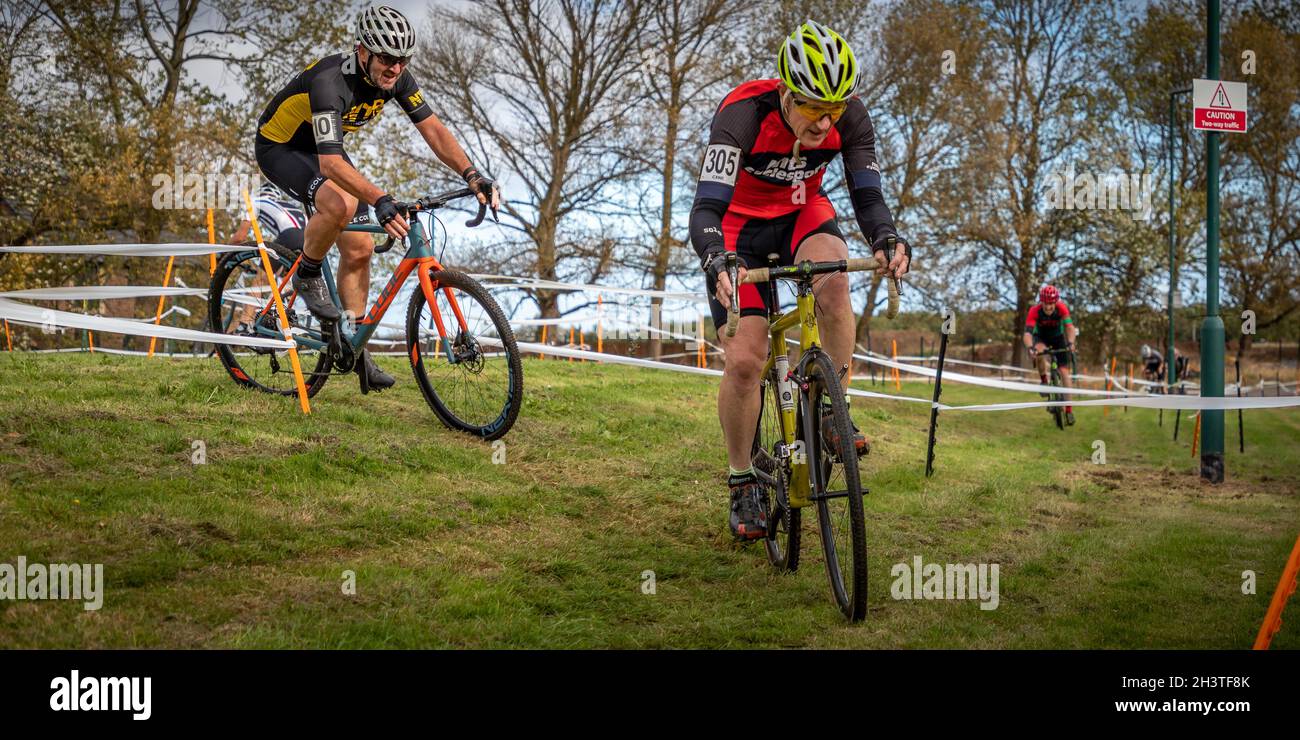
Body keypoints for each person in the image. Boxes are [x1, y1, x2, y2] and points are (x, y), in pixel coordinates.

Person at [689, 21, 911, 540]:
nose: (824, 120)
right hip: (738, 228)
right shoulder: (742, 115)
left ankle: (832, 408)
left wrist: (886, 237)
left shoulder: (850, 119)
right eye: (812, 105)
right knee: (745, 360)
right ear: (786, 92)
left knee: (835, 278)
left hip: (801, 214)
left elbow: (867, 196)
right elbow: (705, 207)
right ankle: (742, 479)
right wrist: (716, 256)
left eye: (834, 107)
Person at [253, 4, 500, 393]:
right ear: (362, 51)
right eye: (386, 58)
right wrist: (381, 199)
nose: (395, 68)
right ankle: (306, 273)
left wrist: (472, 174)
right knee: (341, 205)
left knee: (360, 247)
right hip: (281, 148)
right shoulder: (329, 81)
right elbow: (332, 164)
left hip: (322, 151)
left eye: (402, 60)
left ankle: (353, 342)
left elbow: (433, 129)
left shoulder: (396, 78)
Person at [1023, 285, 1077, 425]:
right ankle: (1044, 381)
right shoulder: (1034, 311)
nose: (1048, 307)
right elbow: (1028, 333)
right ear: (1042, 302)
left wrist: (1070, 343)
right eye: (1046, 304)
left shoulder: (1061, 308)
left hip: (1058, 338)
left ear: (1055, 302)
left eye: (1051, 304)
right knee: (1039, 352)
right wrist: (1030, 347)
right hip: (1041, 338)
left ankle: (1069, 410)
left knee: (1064, 373)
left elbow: (1069, 327)